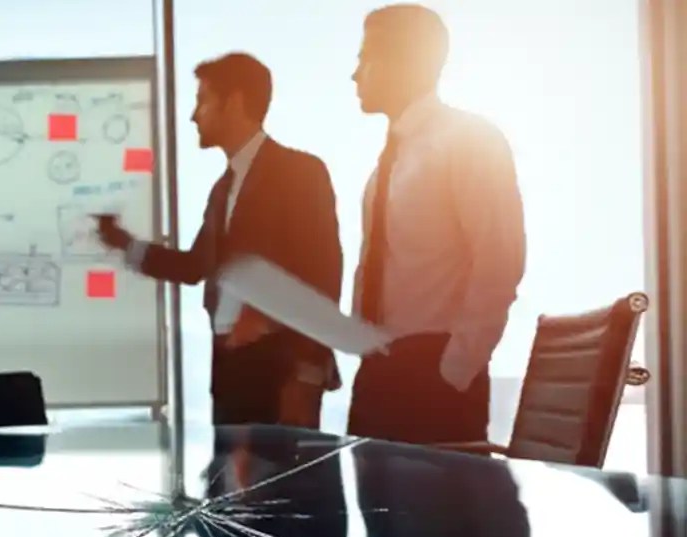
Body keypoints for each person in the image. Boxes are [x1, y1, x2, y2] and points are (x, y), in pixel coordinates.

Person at [96, 52, 343, 429]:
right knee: (230, 485)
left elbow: (323, 272)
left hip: (282, 375)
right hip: (231, 375)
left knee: (290, 487)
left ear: (235, 102)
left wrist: (307, 374)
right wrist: (124, 244)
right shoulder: (222, 189)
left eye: (203, 100)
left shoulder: (300, 173)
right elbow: (196, 266)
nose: (195, 115)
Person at [348, 4, 526, 445]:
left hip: (432, 377)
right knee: (376, 510)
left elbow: (500, 261)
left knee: (438, 514)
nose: (355, 75)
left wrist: (454, 372)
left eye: (363, 57)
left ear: (399, 61)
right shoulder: (387, 162)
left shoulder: (468, 139)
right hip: (378, 373)